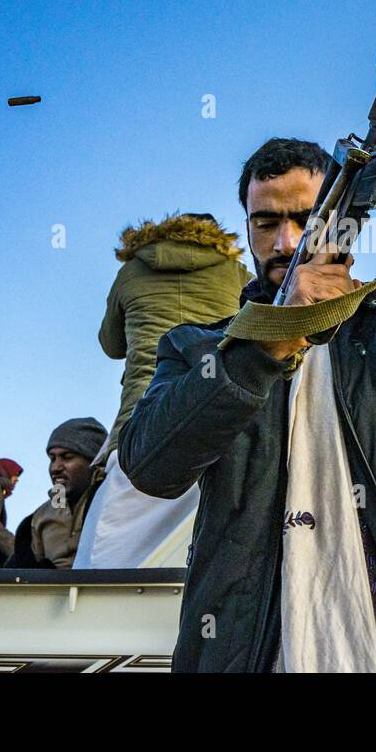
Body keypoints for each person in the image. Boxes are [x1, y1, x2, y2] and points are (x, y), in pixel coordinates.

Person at [119, 16, 376, 672]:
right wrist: (270, 343)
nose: (285, 241)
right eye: (266, 221)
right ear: (247, 230)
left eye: (304, 217)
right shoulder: (198, 347)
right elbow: (152, 463)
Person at [76, 213, 250, 569]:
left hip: (144, 417)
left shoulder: (131, 271)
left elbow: (111, 345)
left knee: (109, 557)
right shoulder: (236, 271)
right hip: (217, 414)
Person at [7, 419, 105, 568]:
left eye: (67, 457)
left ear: (94, 461)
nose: (55, 468)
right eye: (52, 459)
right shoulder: (35, 521)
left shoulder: (114, 500)